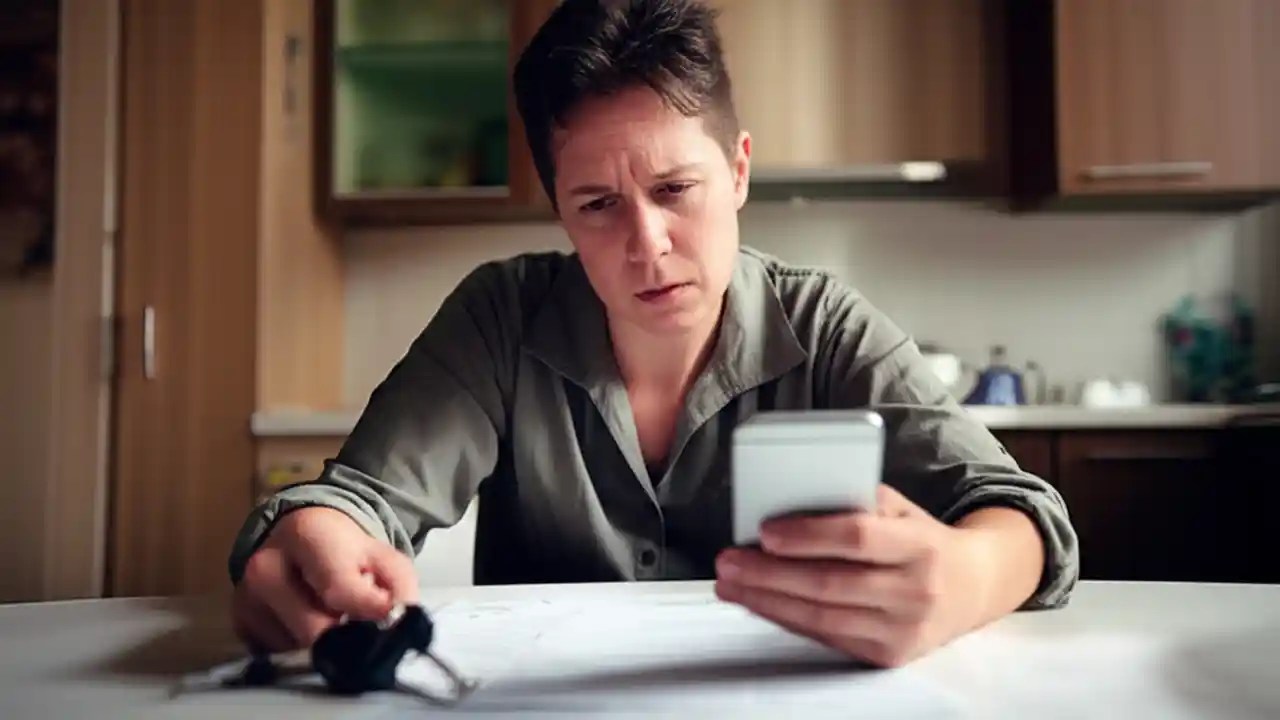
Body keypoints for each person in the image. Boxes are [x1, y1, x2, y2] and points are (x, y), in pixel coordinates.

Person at [228, 0, 1078, 668]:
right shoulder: (499, 315)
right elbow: (355, 502)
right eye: (598, 205)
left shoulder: (827, 326)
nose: (648, 245)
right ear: (558, 207)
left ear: (739, 169)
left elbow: (1022, 515)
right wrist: (309, 540)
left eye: (676, 189)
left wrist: (963, 577)